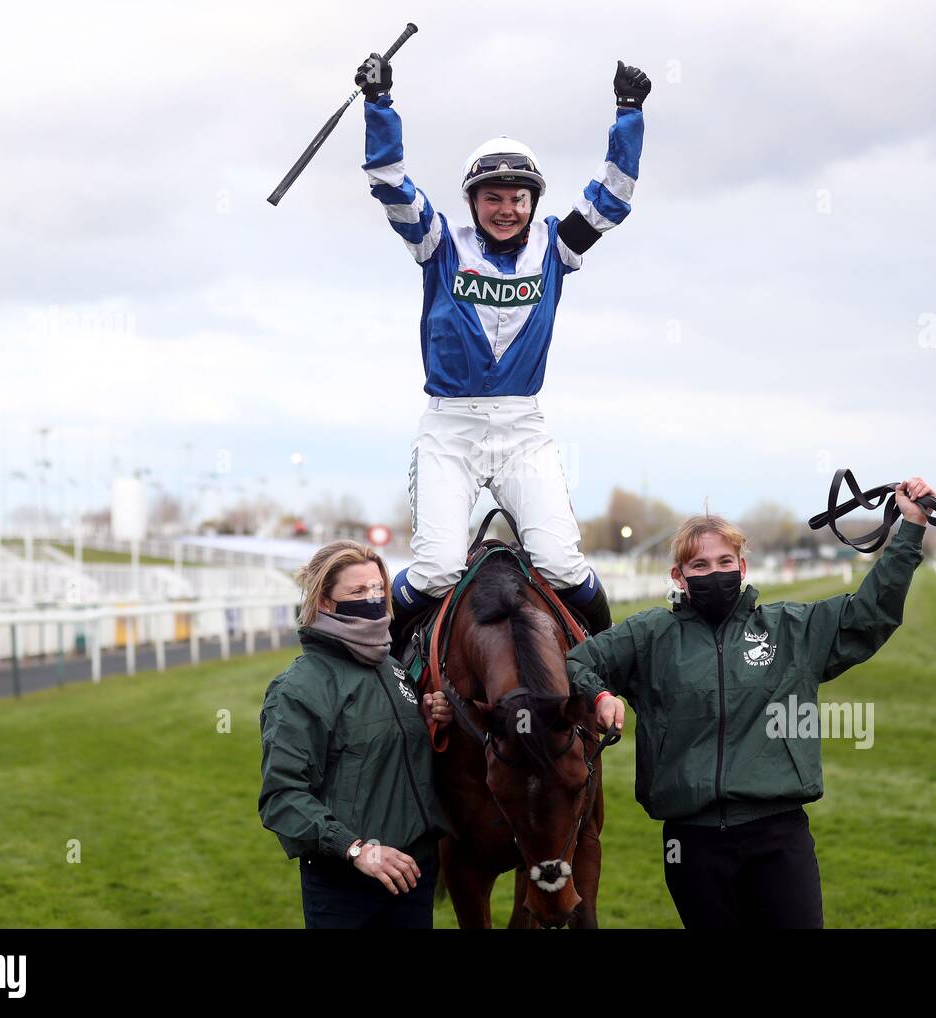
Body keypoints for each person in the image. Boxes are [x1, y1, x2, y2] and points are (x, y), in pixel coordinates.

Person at [354, 50, 652, 653]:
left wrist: (628, 115)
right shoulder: (437, 242)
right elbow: (389, 183)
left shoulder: (556, 247)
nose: (507, 207)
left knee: (564, 564)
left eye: (518, 197)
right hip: (450, 429)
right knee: (436, 567)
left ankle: (608, 665)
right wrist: (379, 104)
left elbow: (614, 197)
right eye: (493, 197)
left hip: (523, 429)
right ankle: (379, 665)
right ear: (472, 202)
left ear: (533, 202)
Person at [565, 479, 936, 928]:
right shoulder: (648, 637)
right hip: (691, 843)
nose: (714, 571)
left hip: (779, 836)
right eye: (698, 564)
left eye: (724, 561)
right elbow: (574, 662)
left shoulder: (790, 629)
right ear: (678, 577)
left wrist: (911, 529)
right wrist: (599, 694)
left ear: (742, 567)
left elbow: (869, 615)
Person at [258, 539, 453, 928]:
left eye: (379, 588)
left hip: (411, 877)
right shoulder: (299, 688)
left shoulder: (392, 669)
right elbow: (283, 796)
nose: (374, 599)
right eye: (359, 591)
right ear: (326, 603)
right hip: (345, 886)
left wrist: (432, 718)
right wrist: (355, 849)